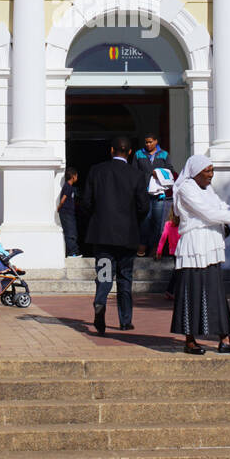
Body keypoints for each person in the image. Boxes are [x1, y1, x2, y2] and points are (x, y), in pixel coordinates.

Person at [170, 154, 230, 354]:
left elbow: (219, 207)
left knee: (215, 292)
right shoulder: (185, 189)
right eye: (207, 171)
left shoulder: (207, 189)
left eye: (212, 170)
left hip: (210, 246)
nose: (211, 175)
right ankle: (190, 340)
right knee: (191, 293)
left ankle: (224, 338)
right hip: (194, 246)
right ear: (195, 172)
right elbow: (207, 213)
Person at [80, 135, 148, 335]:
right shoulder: (136, 175)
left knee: (104, 276)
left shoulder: (96, 171)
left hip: (102, 236)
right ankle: (125, 321)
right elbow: (144, 207)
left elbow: (85, 203)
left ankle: (100, 303)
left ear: (111, 150)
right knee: (125, 279)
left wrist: (95, 218)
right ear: (129, 152)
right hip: (127, 237)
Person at [133, 133, 175, 256]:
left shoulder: (164, 154)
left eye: (150, 142)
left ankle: (155, 248)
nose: (148, 144)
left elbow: (170, 170)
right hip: (144, 193)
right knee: (144, 220)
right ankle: (142, 246)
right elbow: (134, 172)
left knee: (157, 222)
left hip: (159, 194)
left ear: (156, 141)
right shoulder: (138, 154)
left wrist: (159, 173)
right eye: (146, 142)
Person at [58, 168, 80, 256]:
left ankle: (73, 251)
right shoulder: (68, 187)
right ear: (73, 177)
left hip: (69, 212)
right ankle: (72, 253)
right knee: (70, 232)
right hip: (67, 212)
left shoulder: (68, 186)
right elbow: (64, 198)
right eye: (77, 175)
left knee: (72, 232)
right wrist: (59, 207)